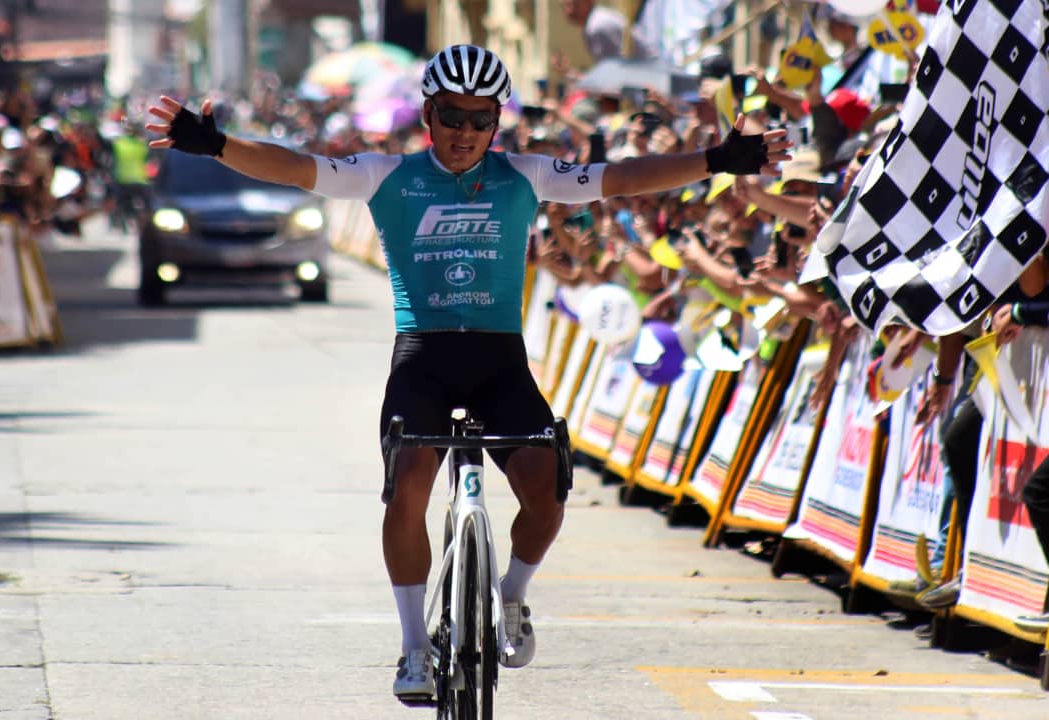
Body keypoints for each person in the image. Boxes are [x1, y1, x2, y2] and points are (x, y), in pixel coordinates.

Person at [145, 44, 790, 703]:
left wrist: (718, 160)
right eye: (453, 117)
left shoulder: (528, 174)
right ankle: (413, 647)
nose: (466, 134)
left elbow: (621, 178)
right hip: (422, 360)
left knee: (548, 488)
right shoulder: (384, 174)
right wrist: (217, 144)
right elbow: (294, 167)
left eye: (482, 121)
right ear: (429, 113)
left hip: (498, 362)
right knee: (408, 492)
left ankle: (510, 597)